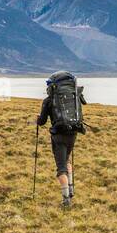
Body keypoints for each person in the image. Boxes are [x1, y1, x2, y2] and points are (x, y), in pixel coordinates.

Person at [36, 71, 86, 207]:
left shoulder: (48, 101)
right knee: (67, 159)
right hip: (73, 133)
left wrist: (37, 119)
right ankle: (70, 189)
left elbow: (41, 121)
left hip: (58, 136)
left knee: (61, 168)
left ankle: (66, 200)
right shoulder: (75, 97)